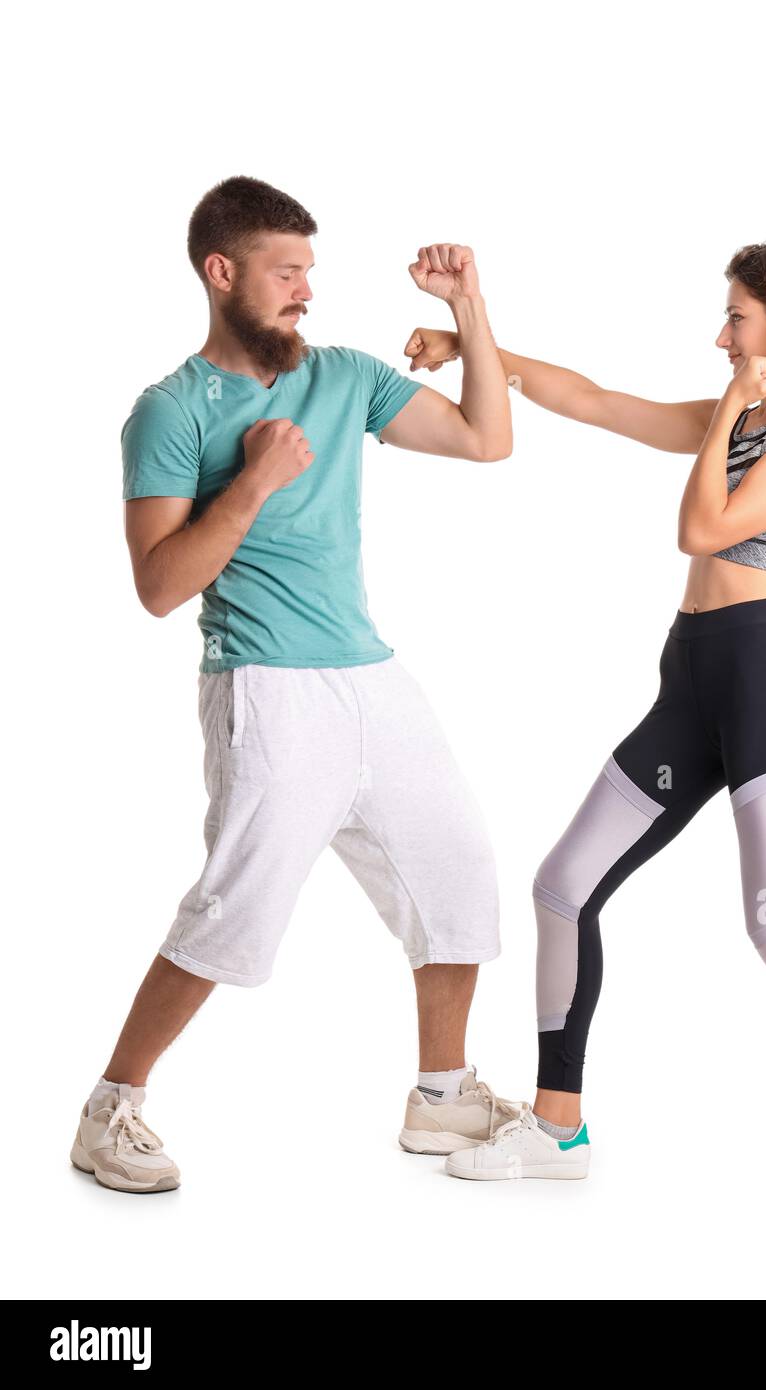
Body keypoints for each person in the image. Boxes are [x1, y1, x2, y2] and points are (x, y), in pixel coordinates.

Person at [402, 238, 766, 1215]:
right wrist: (472, 337)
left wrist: (733, 415)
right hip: (692, 681)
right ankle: (556, 1125)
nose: (721, 334)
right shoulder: (741, 413)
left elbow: (702, 529)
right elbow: (590, 399)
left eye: (738, 318)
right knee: (563, 887)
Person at [70, 176, 525, 1194]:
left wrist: (469, 311)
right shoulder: (170, 411)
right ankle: (111, 1109)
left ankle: (443, 1097)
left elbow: (487, 438)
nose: (305, 291)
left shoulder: (345, 376)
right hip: (266, 688)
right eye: (286, 272)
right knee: (234, 913)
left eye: (310, 273)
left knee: (457, 874)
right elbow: (158, 585)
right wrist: (252, 483)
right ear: (221, 272)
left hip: (370, 673)